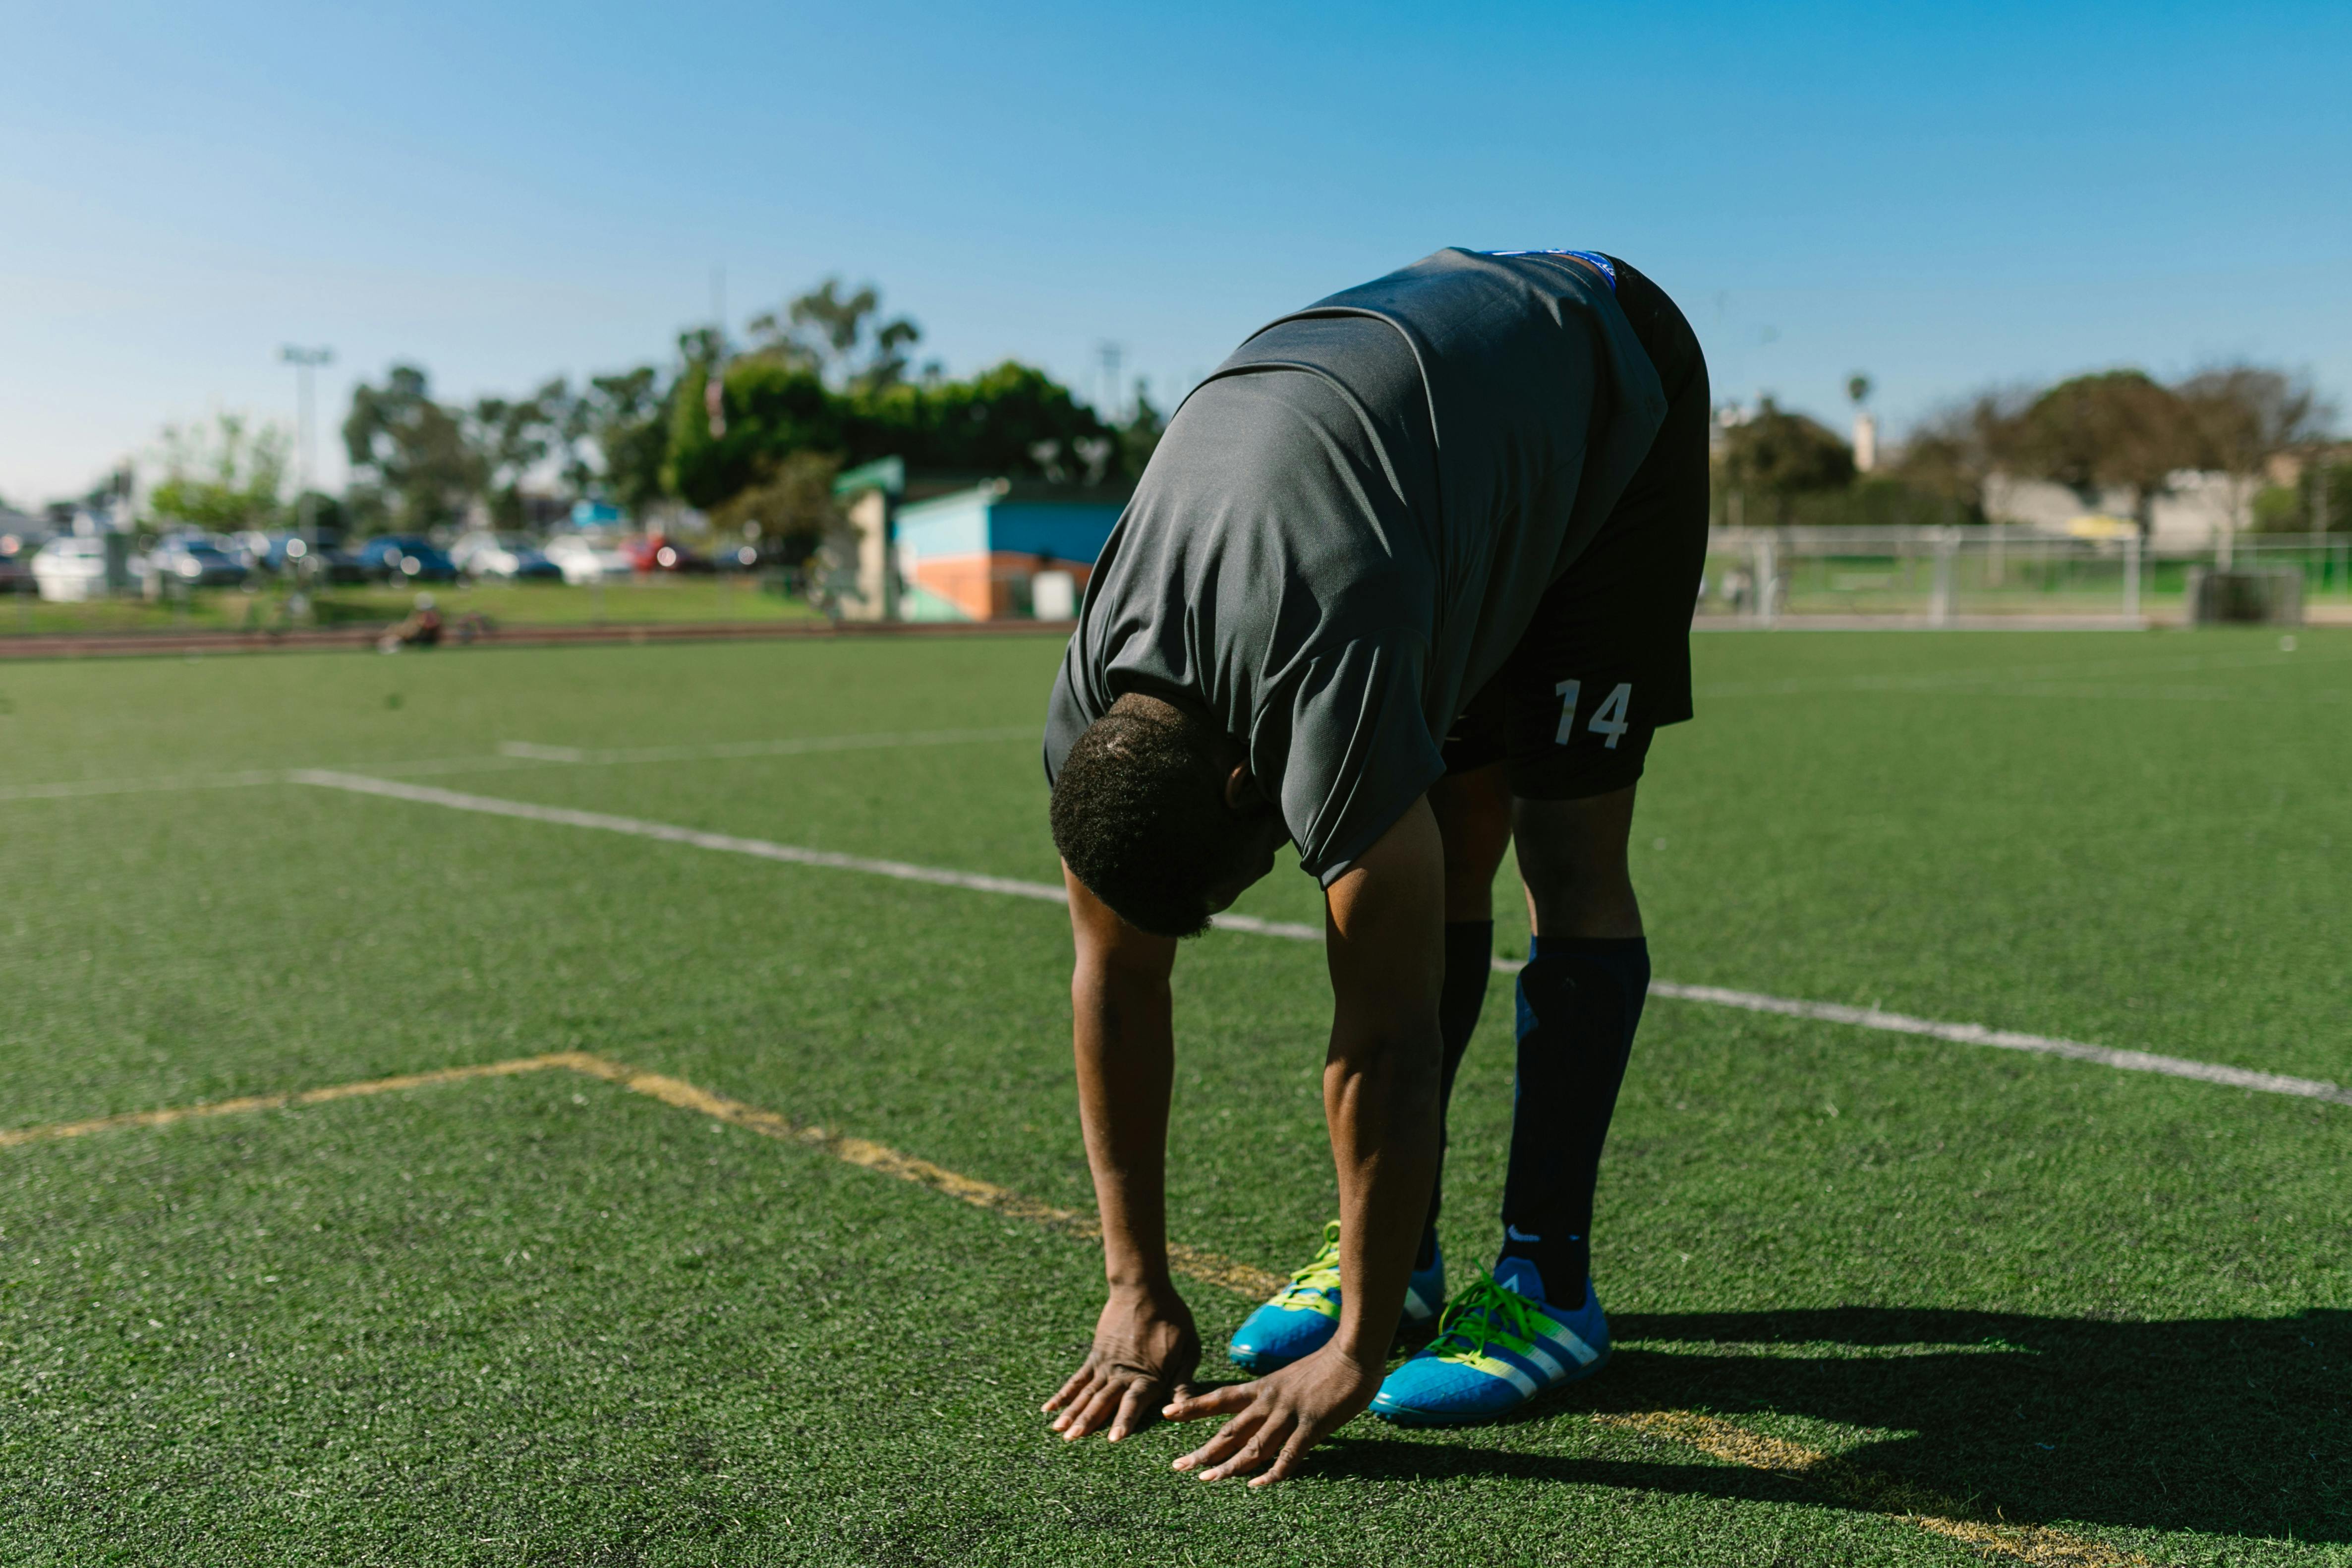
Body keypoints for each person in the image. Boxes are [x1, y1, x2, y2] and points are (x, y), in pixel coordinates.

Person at [1038, 248, 1708, 1484]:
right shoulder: (1096, 711)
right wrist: (1134, 1284)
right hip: (1411, 474)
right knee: (1441, 853)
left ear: (1256, 784)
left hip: (1607, 378)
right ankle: (1401, 1260)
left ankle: (1549, 1280)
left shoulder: (1320, 667)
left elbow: (1382, 1037)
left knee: (1563, 853)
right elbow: (1113, 976)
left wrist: (1349, 1353)